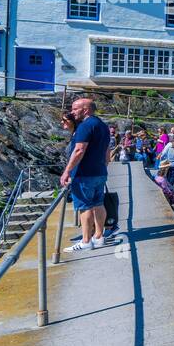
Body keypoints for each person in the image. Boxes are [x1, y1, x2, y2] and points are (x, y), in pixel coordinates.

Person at [60, 97, 113, 251]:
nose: (72, 112)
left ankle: (86, 241)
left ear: (86, 110)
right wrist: (103, 166)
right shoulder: (102, 126)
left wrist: (67, 171)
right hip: (100, 172)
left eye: (75, 109)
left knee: (85, 206)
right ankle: (99, 237)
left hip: (84, 174)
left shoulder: (85, 126)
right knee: (98, 203)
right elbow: (107, 152)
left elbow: (79, 150)